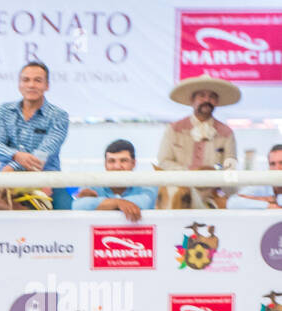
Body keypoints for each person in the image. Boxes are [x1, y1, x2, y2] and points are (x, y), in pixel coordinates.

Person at [0, 61, 71, 208]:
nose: (31, 85)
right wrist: (17, 156)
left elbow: (41, 156)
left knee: (69, 216)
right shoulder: (5, 110)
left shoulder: (59, 116)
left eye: (37, 80)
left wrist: (10, 167)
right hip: (6, 182)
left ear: (47, 85)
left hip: (47, 179)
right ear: (19, 85)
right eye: (26, 80)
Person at [157, 74, 240, 208]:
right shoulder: (174, 129)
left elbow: (231, 163)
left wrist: (214, 171)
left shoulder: (226, 132)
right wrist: (190, 171)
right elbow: (164, 161)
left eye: (212, 97)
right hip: (179, 191)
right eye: (202, 96)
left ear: (216, 102)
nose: (207, 100)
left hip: (212, 193)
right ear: (192, 100)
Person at [73, 139, 159, 221]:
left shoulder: (146, 183)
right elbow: (78, 205)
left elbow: (145, 202)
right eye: (111, 161)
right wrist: (117, 202)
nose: (117, 166)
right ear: (105, 165)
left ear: (133, 163)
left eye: (123, 160)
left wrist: (103, 203)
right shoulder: (94, 185)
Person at [226, 143, 282, 209]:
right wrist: (268, 205)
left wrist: (258, 199)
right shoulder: (263, 185)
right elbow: (232, 203)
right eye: (272, 164)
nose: (277, 168)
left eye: (281, 163)